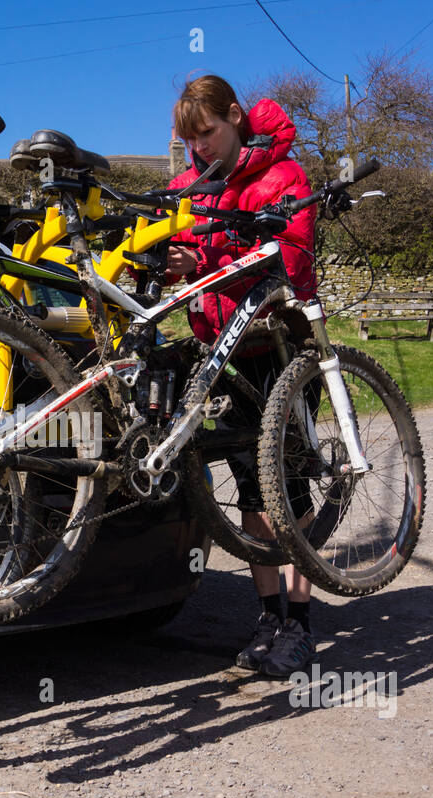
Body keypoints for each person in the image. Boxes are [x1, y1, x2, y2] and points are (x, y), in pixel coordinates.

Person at [164, 74, 320, 678]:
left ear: (234, 116)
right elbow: (174, 248)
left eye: (207, 133)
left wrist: (208, 263)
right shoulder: (189, 188)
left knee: (294, 484)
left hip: (277, 344)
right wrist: (176, 260)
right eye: (189, 139)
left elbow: (290, 259)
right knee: (250, 486)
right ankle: (268, 614)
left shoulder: (282, 176)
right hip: (220, 349)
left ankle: (302, 621)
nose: (199, 147)